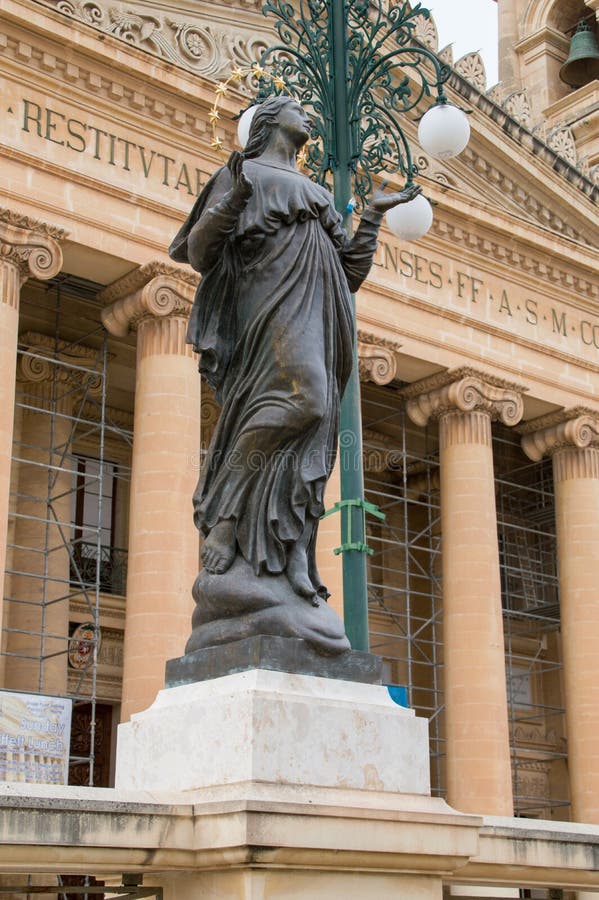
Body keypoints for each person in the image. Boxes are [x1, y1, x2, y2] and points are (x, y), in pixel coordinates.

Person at [169, 95, 419, 652]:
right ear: (269, 122)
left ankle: (288, 556)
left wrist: (373, 216)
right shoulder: (242, 174)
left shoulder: (318, 194)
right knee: (303, 400)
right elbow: (201, 251)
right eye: (295, 108)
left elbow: (348, 273)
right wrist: (234, 198)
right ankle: (226, 520)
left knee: (315, 424)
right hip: (267, 318)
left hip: (317, 319)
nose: (307, 114)